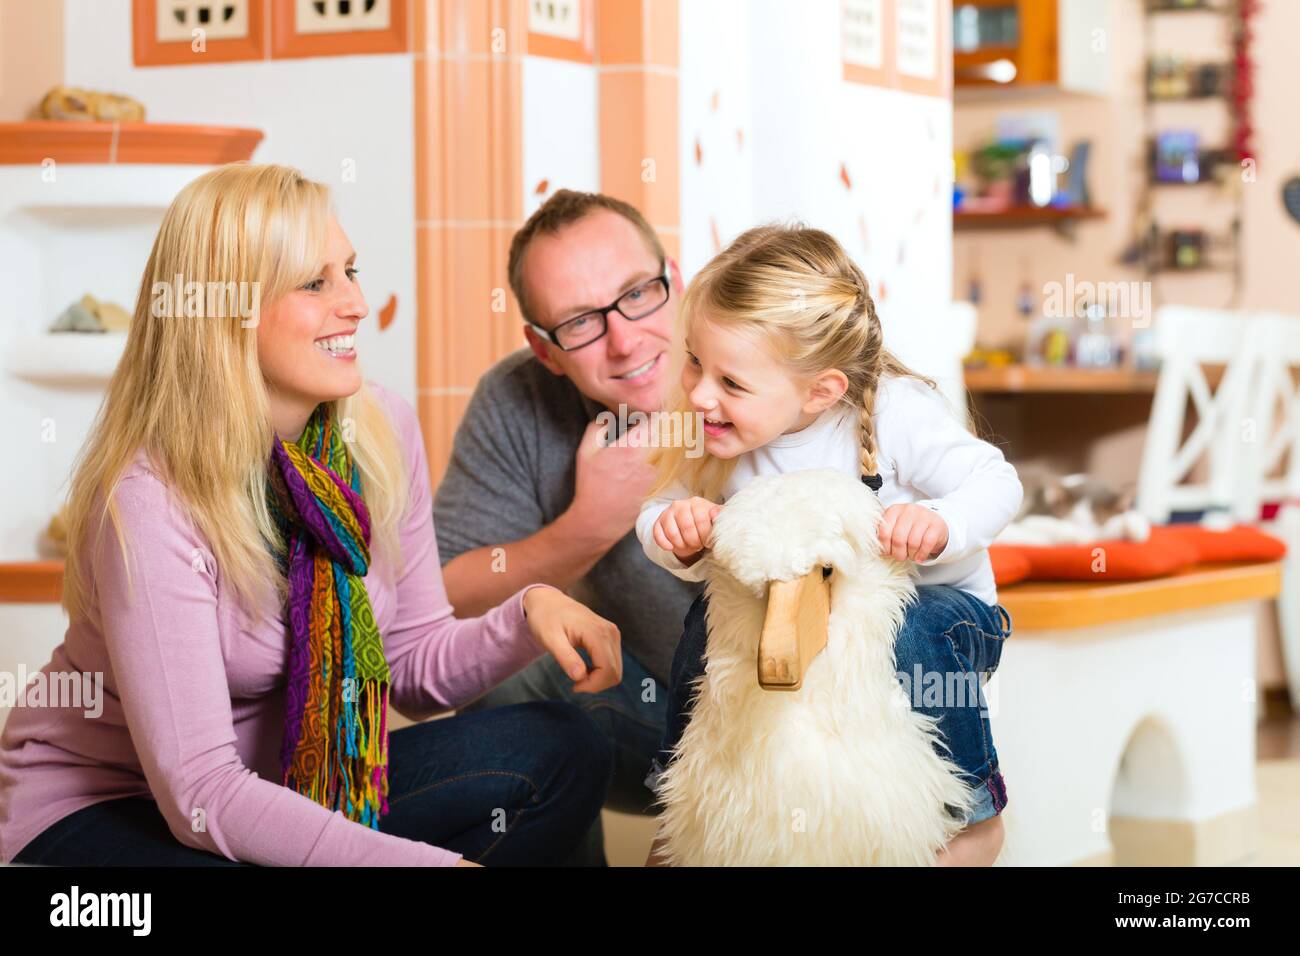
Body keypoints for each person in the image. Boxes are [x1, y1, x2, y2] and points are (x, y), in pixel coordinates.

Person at [0, 163, 620, 867]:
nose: (354, 303)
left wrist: (527, 614)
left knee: (562, 750)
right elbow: (202, 793)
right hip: (115, 809)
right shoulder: (152, 498)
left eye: (349, 270)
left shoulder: (379, 431)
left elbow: (413, 669)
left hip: (289, 787)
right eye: (315, 282)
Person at [638, 224, 1024, 866]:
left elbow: (995, 480)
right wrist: (674, 533)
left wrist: (941, 524)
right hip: (789, 637)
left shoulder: (895, 412)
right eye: (695, 361)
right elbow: (655, 511)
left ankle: (971, 817)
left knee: (915, 626)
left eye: (731, 383)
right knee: (705, 623)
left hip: (944, 627)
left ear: (821, 390)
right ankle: (686, 806)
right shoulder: (715, 435)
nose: (701, 394)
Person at [433, 191, 701, 822]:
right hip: (648, 718)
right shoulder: (515, 398)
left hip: (789, 719)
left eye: (638, 293)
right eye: (581, 322)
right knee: (497, 658)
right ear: (544, 348)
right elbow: (444, 596)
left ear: (676, 280)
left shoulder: (761, 364)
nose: (625, 341)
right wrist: (589, 526)